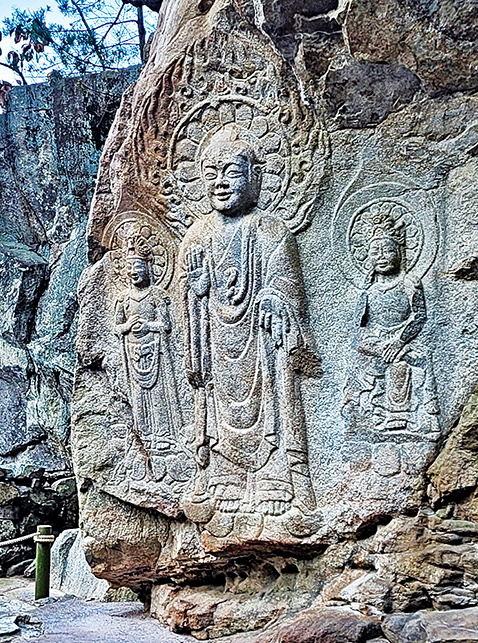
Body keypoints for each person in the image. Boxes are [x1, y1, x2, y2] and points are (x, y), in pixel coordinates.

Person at [179, 127, 319, 538]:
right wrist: (197, 293)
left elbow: (288, 286)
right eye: (211, 173)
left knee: (276, 396)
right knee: (217, 405)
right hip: (214, 343)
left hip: (261, 342)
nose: (221, 182)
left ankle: (284, 476)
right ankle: (222, 477)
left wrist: (274, 300)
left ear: (256, 177)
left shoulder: (271, 231)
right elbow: (186, 293)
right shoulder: (197, 236)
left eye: (232, 172)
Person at [342, 216, 439, 440]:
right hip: (375, 341)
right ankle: (362, 414)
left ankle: (399, 414)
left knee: (399, 363)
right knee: (357, 358)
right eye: (375, 252)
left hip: (402, 338)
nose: (382, 257)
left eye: (387, 250)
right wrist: (373, 343)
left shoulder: (409, 282)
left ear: (400, 251)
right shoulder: (368, 290)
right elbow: (359, 326)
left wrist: (400, 341)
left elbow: (419, 316)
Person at [114, 231, 186, 484]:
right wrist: (127, 327)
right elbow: (117, 328)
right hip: (133, 354)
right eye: (129, 267)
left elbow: (165, 324)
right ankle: (142, 437)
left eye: (138, 266)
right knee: (139, 398)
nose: (133, 272)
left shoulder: (157, 296)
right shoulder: (123, 299)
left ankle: (164, 437)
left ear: (149, 267)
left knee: (158, 397)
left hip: (155, 350)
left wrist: (147, 324)